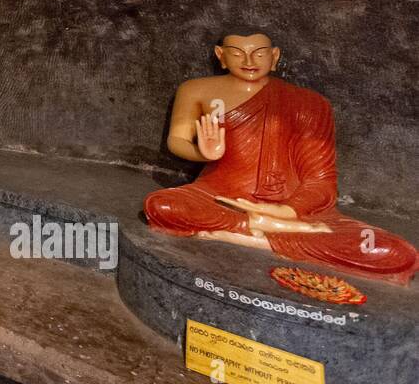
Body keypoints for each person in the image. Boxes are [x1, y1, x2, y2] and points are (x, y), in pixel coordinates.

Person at [144, 30, 417, 284]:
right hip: (220, 197)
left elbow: (321, 182)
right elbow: (177, 140)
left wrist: (286, 210)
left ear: (274, 57)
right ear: (220, 55)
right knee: (162, 206)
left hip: (294, 210)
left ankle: (262, 236)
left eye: (259, 53)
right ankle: (265, 229)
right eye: (237, 52)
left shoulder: (310, 103)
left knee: (396, 252)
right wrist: (201, 152)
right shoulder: (196, 90)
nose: (249, 60)